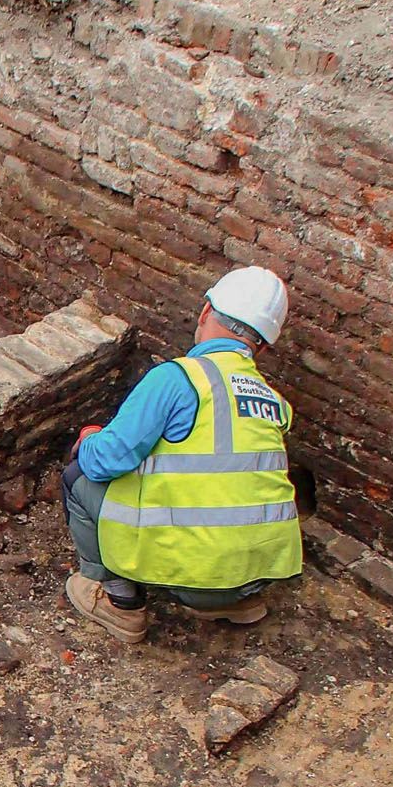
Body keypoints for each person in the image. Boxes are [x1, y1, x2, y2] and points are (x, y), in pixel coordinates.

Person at [62, 266, 303, 644]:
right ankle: (238, 602)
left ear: (206, 312)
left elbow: (106, 460)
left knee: (78, 475)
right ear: (263, 347)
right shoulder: (275, 402)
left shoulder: (179, 378)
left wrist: (92, 436)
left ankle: (119, 604)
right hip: (257, 573)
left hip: (194, 575)